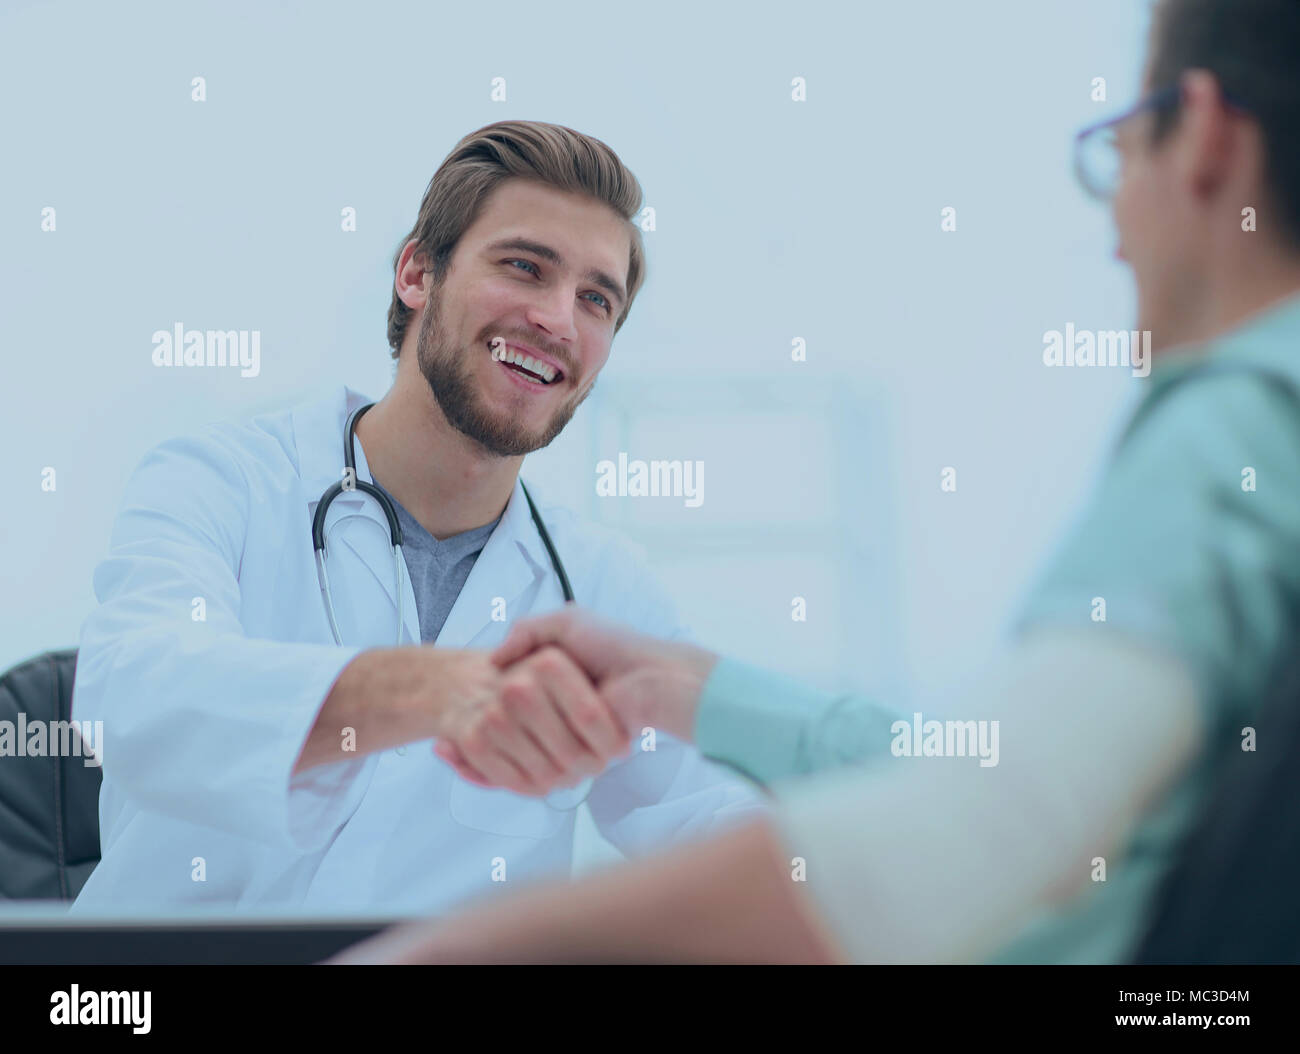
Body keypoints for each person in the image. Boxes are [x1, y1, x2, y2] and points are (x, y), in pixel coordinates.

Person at [330, 0, 1300, 963]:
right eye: (525, 269)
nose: (1115, 220)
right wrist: (684, 686)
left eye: (1120, 148)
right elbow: (1013, 766)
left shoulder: (1238, 424)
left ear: (1205, 135)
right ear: (416, 274)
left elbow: (962, 830)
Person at [69, 121, 772, 916]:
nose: (558, 320)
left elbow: (716, 817)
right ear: (416, 273)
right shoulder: (220, 480)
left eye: (596, 299)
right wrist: (431, 691)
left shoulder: (600, 586)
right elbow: (134, 693)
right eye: (523, 266)